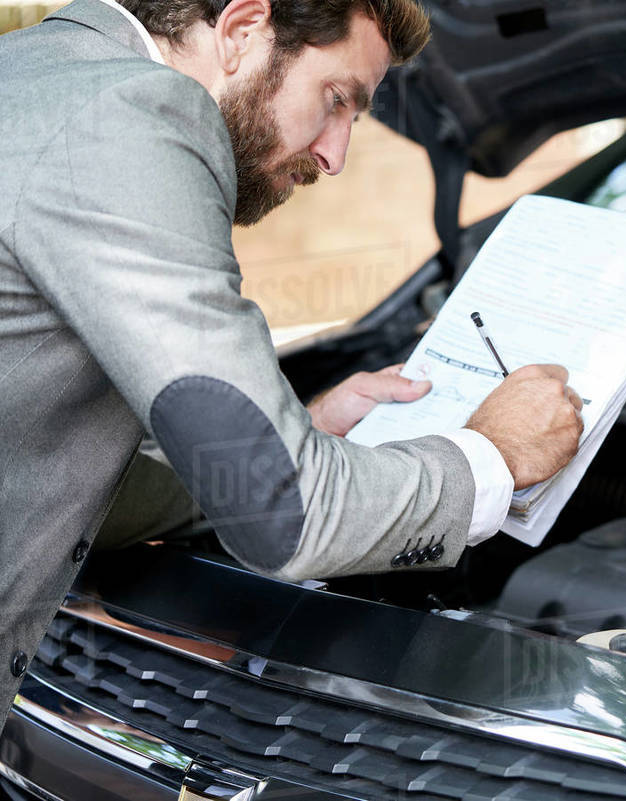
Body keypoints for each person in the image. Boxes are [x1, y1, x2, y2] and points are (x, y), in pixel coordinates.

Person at [0, 0, 584, 727]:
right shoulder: (133, 114)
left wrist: (297, 437)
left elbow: (34, 461)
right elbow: (285, 516)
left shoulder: (32, 73)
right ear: (245, 29)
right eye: (337, 101)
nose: (335, 156)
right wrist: (494, 455)